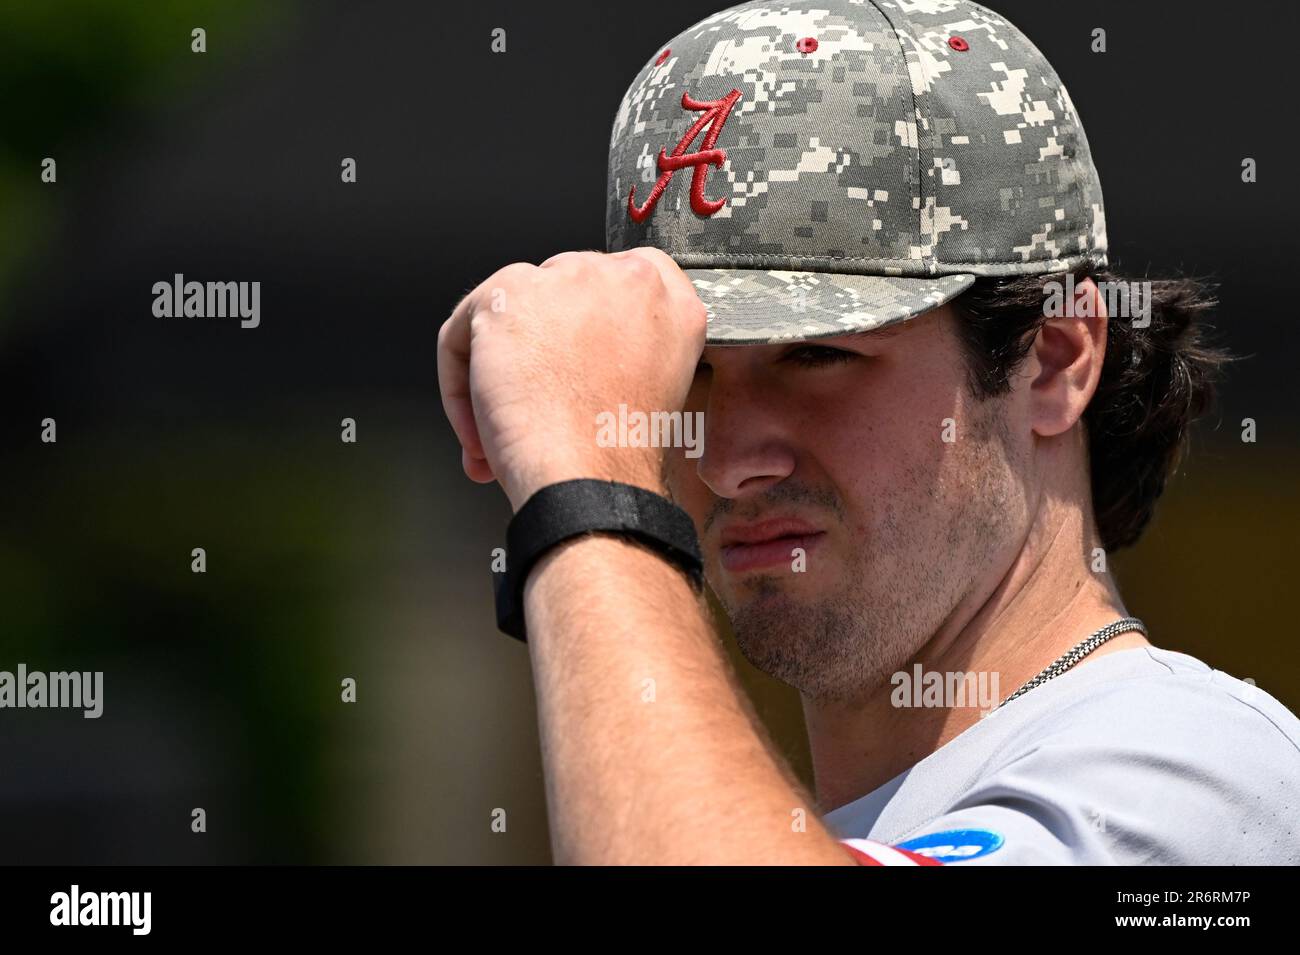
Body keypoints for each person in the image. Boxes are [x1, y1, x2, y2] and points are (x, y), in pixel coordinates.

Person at [437, 0, 1300, 864]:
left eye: (817, 354)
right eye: (688, 369)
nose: (729, 458)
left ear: (1055, 358)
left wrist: (591, 500)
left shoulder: (1196, 773)